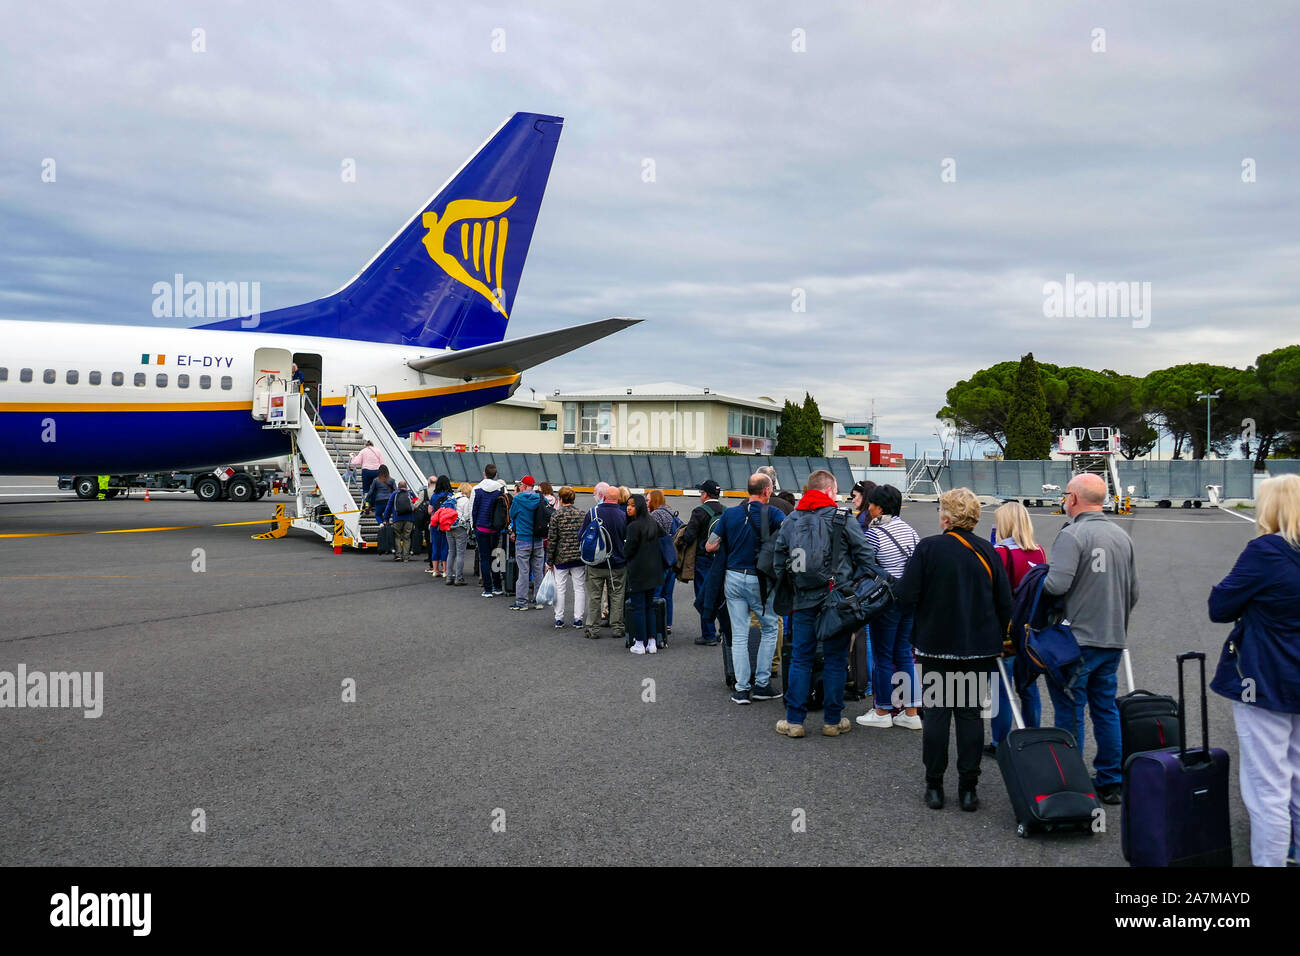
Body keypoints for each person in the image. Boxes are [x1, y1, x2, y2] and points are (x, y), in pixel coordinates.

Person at [898, 487, 1011, 812]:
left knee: (936, 716)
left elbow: (907, 596)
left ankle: (934, 786)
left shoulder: (929, 548)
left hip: (935, 646)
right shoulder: (987, 551)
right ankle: (968, 789)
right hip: (977, 649)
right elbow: (1005, 603)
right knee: (970, 716)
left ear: (946, 516)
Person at [1208, 474, 1300, 867]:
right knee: (1296, 778)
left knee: (1267, 786)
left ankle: (1271, 861)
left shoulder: (1266, 551)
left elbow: (1220, 606)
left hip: (1264, 678)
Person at [1042, 473, 1139, 805]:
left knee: (1070, 708)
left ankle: (1072, 779)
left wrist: (1034, 584)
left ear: (1072, 498)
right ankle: (1111, 779)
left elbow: (1056, 585)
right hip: (1111, 636)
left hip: (1077, 640)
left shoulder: (1072, 534)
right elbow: (1134, 591)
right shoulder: (1121, 536)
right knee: (1105, 708)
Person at [772, 468, 881, 737]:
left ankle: (795, 721)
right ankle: (833, 720)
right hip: (837, 601)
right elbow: (866, 556)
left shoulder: (791, 520)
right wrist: (857, 586)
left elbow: (777, 562)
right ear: (830, 491)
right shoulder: (842, 518)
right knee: (834, 659)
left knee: (800, 658)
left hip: (803, 600)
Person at [706, 473, 785, 704]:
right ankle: (762, 684)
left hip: (732, 577)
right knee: (769, 628)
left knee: (739, 634)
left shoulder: (730, 513)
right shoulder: (773, 513)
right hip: (760, 579)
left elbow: (710, 545)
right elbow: (789, 534)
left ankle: (741, 689)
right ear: (767, 491)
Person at [856, 484, 923, 730]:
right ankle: (911, 711)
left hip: (886, 600)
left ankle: (883, 709)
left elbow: (864, 564)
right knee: (904, 653)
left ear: (880, 507)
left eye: (871, 504)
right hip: (908, 599)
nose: (869, 508)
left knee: (883, 656)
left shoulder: (874, 533)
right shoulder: (910, 531)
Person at [987, 501, 1047, 751]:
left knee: (1002, 688)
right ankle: (1033, 734)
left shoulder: (1001, 552)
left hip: (1007, 627)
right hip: (1031, 627)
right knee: (1028, 685)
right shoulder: (1038, 551)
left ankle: (1000, 742)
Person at [682, 480, 729, 647]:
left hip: (704, 559)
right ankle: (724, 630)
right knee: (722, 595)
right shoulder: (726, 511)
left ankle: (708, 633)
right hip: (722, 559)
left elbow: (688, 536)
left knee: (704, 595)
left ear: (705, 494)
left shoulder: (699, 512)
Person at [581, 485, 629, 640]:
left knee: (594, 596)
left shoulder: (592, 512)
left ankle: (593, 629)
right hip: (617, 563)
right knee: (617, 595)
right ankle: (617, 627)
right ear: (618, 499)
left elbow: (581, 536)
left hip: (595, 563)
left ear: (604, 497)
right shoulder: (623, 516)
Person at [624, 493, 666, 655]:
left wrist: (624, 548)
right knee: (650, 607)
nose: (629, 507)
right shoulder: (652, 523)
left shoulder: (633, 527)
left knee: (638, 608)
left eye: (633, 505)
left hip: (638, 572)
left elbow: (629, 550)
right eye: (628, 504)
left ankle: (640, 643)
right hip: (654, 571)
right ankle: (652, 641)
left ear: (639, 507)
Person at [545, 486, 587, 629]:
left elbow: (552, 540)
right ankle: (578, 618)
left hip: (561, 557)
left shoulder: (556, 515)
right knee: (579, 587)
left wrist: (549, 561)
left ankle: (559, 618)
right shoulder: (582, 514)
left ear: (560, 499)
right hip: (578, 557)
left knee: (560, 587)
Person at [508, 475, 545, 610]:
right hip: (538, 539)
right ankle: (539, 600)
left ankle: (522, 602)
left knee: (523, 571)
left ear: (523, 486)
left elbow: (511, 514)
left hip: (523, 538)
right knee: (538, 571)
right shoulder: (540, 498)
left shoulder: (518, 499)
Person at [471, 464, 507, 597]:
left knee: (484, 558)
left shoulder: (477, 489)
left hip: (481, 527)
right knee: (496, 556)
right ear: (496, 475)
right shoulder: (501, 489)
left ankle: (488, 589)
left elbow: (473, 510)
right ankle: (498, 586)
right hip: (495, 528)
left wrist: (473, 527)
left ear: (484, 474)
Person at [648, 490, 678, 634]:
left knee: (656, 594)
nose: (646, 503)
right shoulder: (671, 513)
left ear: (654, 501)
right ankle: (668, 624)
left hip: (659, 559)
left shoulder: (654, 515)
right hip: (671, 558)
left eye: (648, 500)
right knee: (668, 595)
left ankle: (657, 624)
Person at [444, 482, 474, 586]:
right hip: (460, 528)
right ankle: (459, 578)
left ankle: (449, 577)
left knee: (451, 552)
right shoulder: (466, 500)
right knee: (460, 553)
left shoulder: (451, 498)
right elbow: (466, 516)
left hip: (449, 527)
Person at [381, 479, 418, 562]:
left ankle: (398, 555)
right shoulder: (410, 494)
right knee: (407, 537)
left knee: (397, 536)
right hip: (409, 519)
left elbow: (389, 506)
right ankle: (406, 557)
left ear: (398, 487)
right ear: (406, 487)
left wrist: (385, 518)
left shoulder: (394, 494)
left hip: (397, 519)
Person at [424, 475, 453, 577]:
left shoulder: (434, 495)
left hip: (434, 523)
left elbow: (429, 510)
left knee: (435, 545)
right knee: (446, 546)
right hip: (445, 523)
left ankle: (435, 570)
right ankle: (445, 570)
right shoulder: (450, 495)